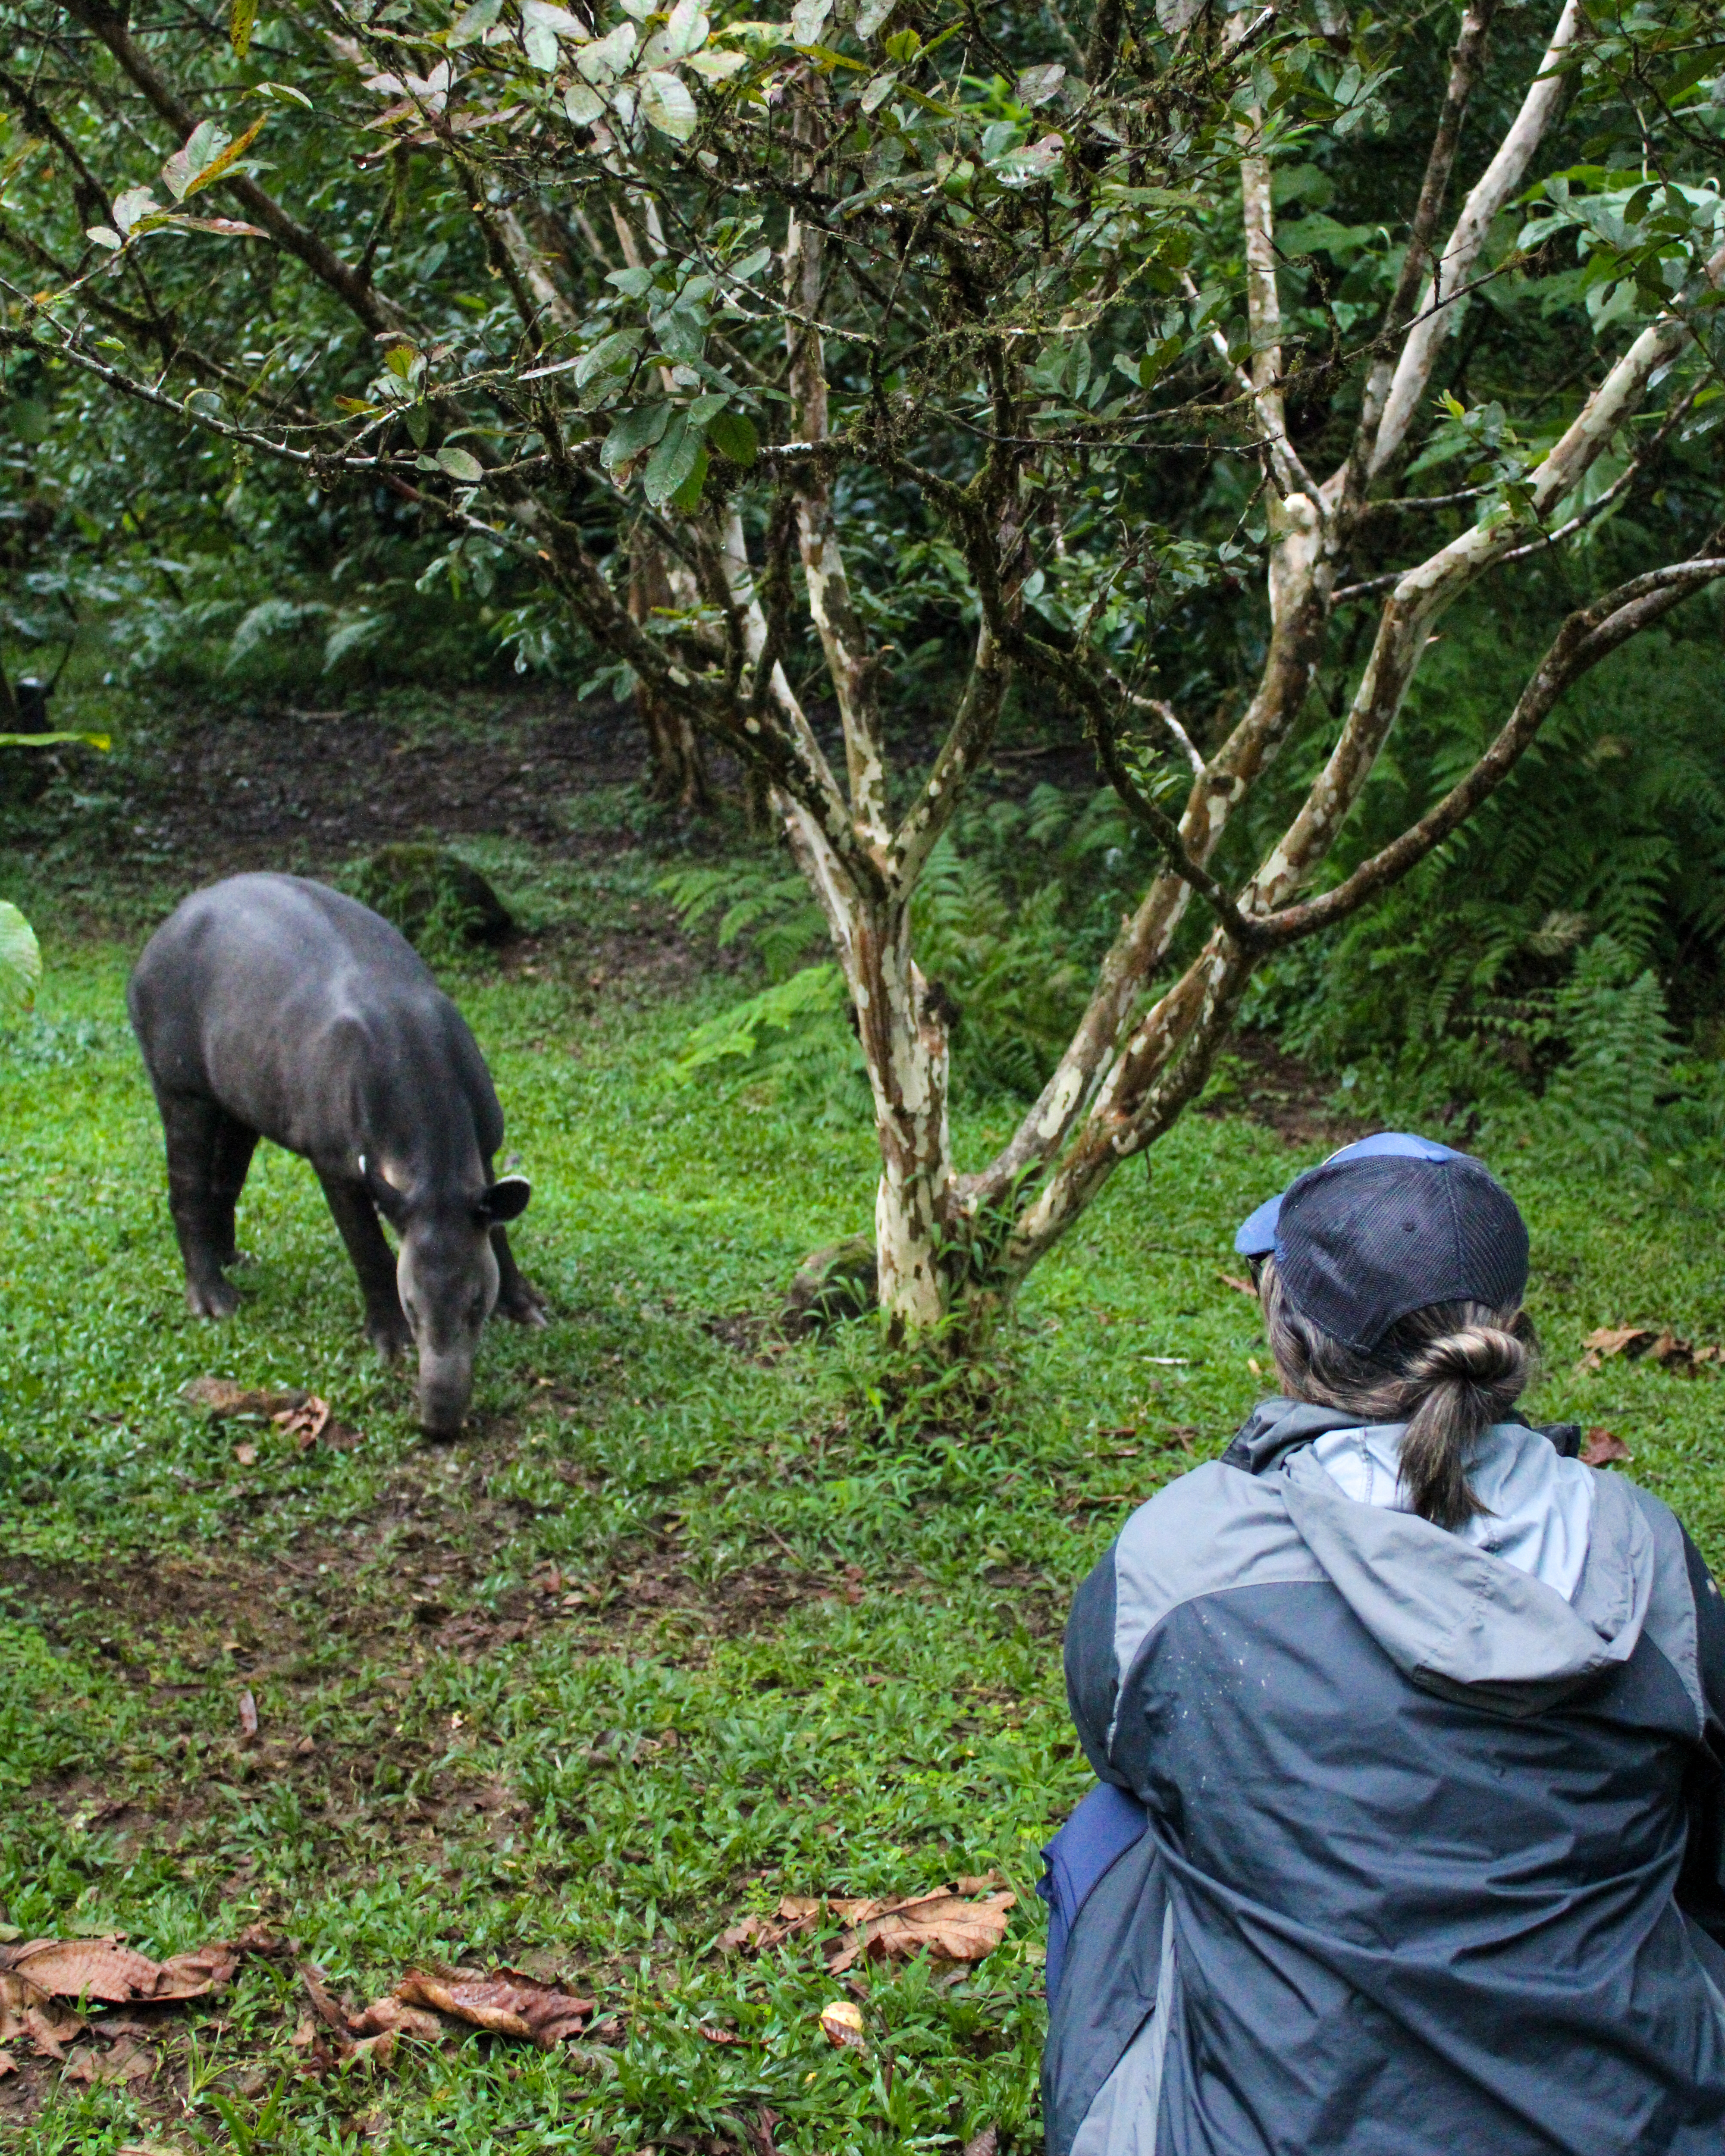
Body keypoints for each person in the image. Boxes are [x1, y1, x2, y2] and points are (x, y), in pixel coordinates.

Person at [1041, 1133, 1725, 2156]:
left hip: (1264, 2133)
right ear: (1506, 1332)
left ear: (1291, 1337)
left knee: (1109, 1827)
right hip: (1632, 2123)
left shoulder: (1181, 1556)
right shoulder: (1642, 1547)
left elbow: (1114, 1737)